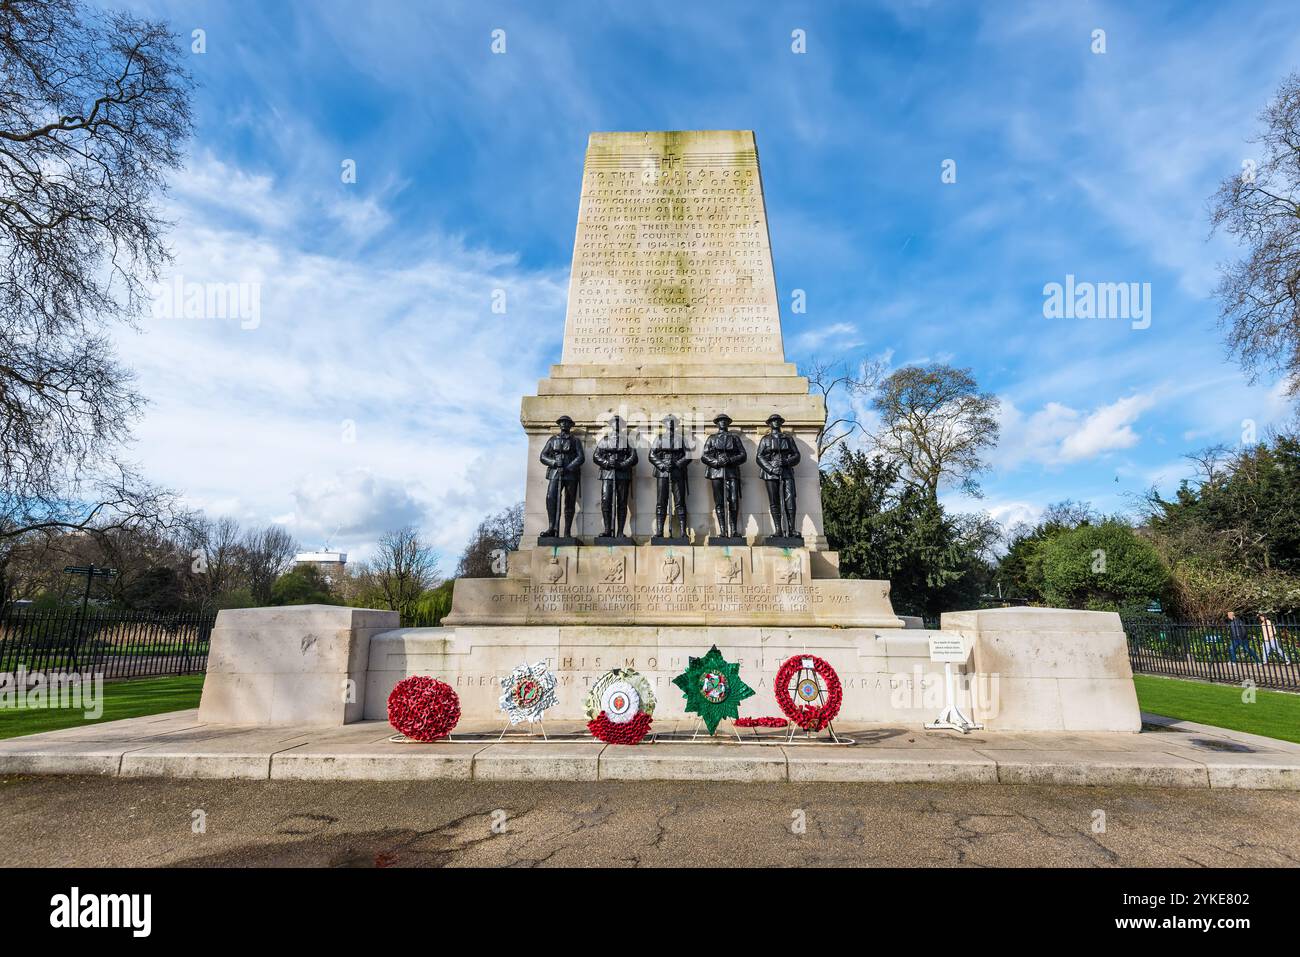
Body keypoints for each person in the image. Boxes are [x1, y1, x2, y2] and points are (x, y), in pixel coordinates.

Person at [756, 412, 801, 540]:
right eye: (773, 421)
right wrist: (771, 468)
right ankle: (778, 529)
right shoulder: (765, 439)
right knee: (774, 501)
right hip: (771, 473)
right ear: (769, 424)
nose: (775, 422)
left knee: (790, 499)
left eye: (777, 420)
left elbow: (797, 455)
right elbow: (759, 457)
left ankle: (791, 529)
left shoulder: (788, 438)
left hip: (786, 471)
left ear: (781, 423)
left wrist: (786, 461)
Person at [701, 412, 746, 539]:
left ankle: (734, 529)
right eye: (720, 420)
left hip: (731, 472)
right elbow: (704, 456)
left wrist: (730, 460)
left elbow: (743, 455)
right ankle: (723, 530)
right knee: (719, 502)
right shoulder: (712, 438)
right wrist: (716, 461)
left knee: (733, 500)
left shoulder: (735, 438)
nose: (723, 422)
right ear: (717, 423)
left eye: (725, 420)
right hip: (716, 472)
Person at [592, 414, 638, 540]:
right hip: (607, 474)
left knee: (622, 503)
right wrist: (607, 463)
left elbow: (634, 457)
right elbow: (596, 456)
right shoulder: (604, 440)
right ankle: (607, 530)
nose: (616, 424)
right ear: (610, 425)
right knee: (606, 501)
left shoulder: (627, 441)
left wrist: (621, 464)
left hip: (622, 474)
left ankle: (620, 532)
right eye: (614, 422)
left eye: (618, 423)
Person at [539, 414, 584, 539]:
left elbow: (581, 457)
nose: (564, 424)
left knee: (569, 502)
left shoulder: (575, 441)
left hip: (570, 474)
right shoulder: (552, 440)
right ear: (559, 424)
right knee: (551, 498)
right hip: (555, 473)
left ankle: (567, 531)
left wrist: (569, 467)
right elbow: (543, 456)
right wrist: (553, 462)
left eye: (566, 422)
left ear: (570, 425)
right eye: (562, 422)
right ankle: (552, 527)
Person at [649, 414, 690, 540]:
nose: (670, 423)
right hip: (662, 473)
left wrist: (677, 464)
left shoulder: (681, 439)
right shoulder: (659, 438)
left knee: (680, 502)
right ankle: (660, 531)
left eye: (673, 421)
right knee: (661, 502)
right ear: (665, 423)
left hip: (677, 472)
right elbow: (651, 455)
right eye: (668, 421)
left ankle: (683, 532)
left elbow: (688, 455)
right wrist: (662, 465)